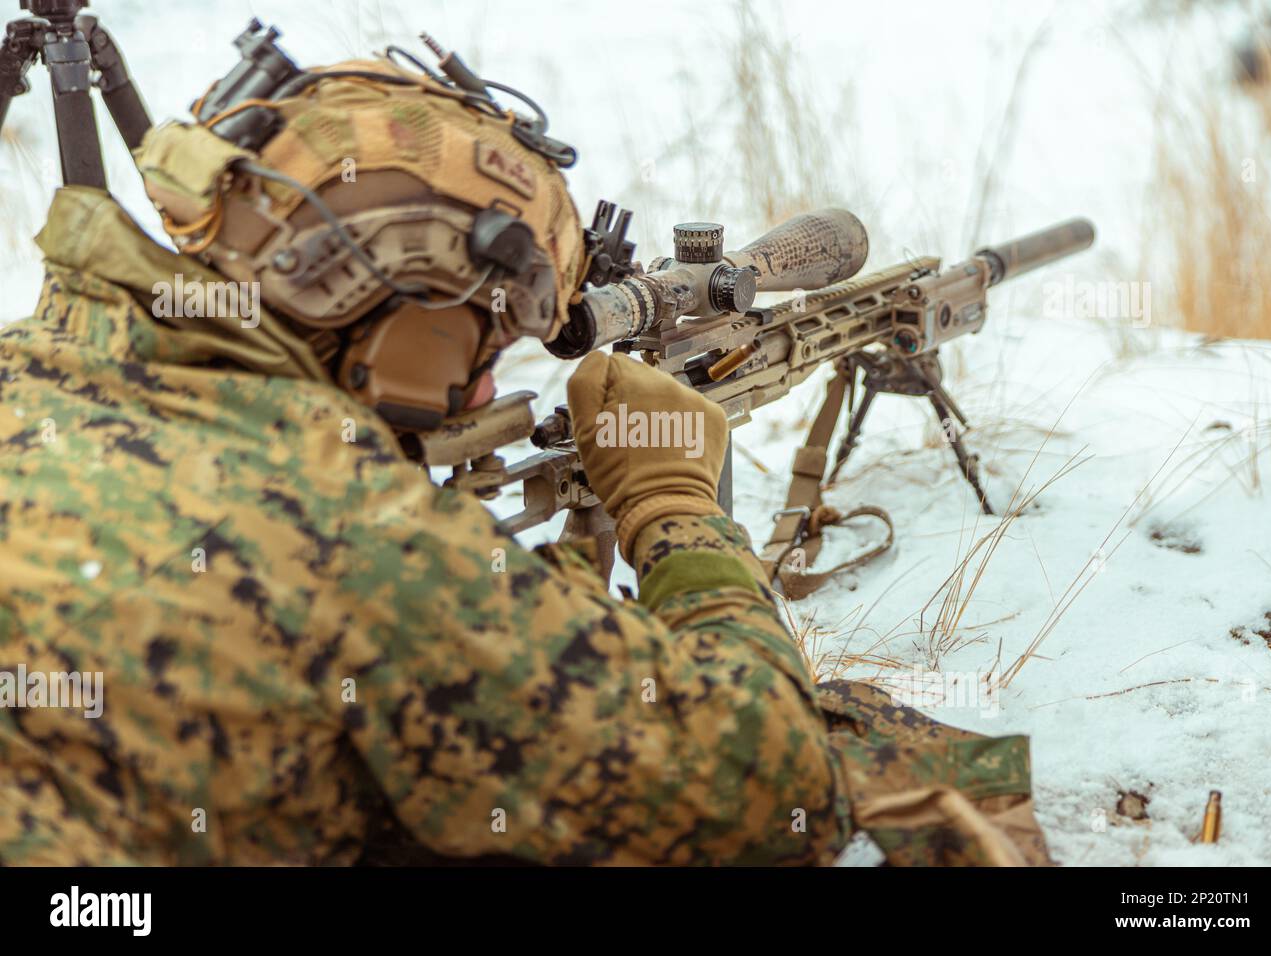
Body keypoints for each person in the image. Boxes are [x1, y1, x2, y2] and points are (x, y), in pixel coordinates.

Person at [0, 54, 1048, 866]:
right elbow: (762, 792)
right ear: (403, 321)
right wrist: (677, 509)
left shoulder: (28, 368)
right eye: (488, 341)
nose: (486, 386)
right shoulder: (351, 532)